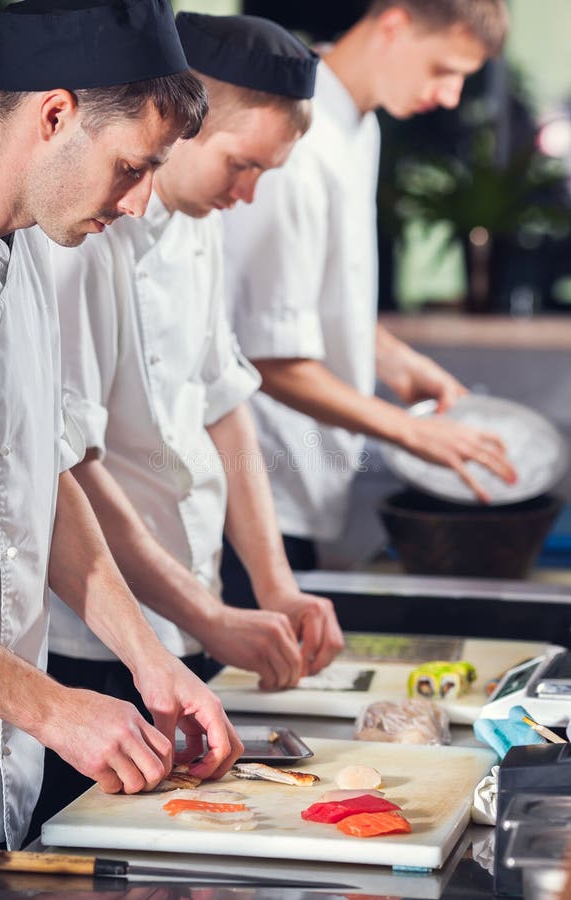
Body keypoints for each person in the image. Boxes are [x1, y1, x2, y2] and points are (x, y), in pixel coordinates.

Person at [32, 11, 344, 835]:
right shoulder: (76, 232)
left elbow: (224, 402)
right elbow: (73, 465)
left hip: (186, 618)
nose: (246, 196)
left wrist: (269, 586)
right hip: (90, 637)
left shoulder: (198, 227)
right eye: (242, 166)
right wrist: (203, 617)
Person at [0, 1, 242, 892]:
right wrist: (53, 709)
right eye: (131, 168)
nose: (138, 200)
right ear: (54, 114)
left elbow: (44, 475)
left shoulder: (34, 243)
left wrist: (148, 661)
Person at [221, 0, 517, 590]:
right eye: (443, 69)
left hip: (308, 478)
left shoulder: (362, 125)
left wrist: (395, 359)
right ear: (394, 25)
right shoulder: (294, 137)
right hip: (256, 486)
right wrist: (413, 431)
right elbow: (266, 352)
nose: (451, 95)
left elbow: (313, 297)